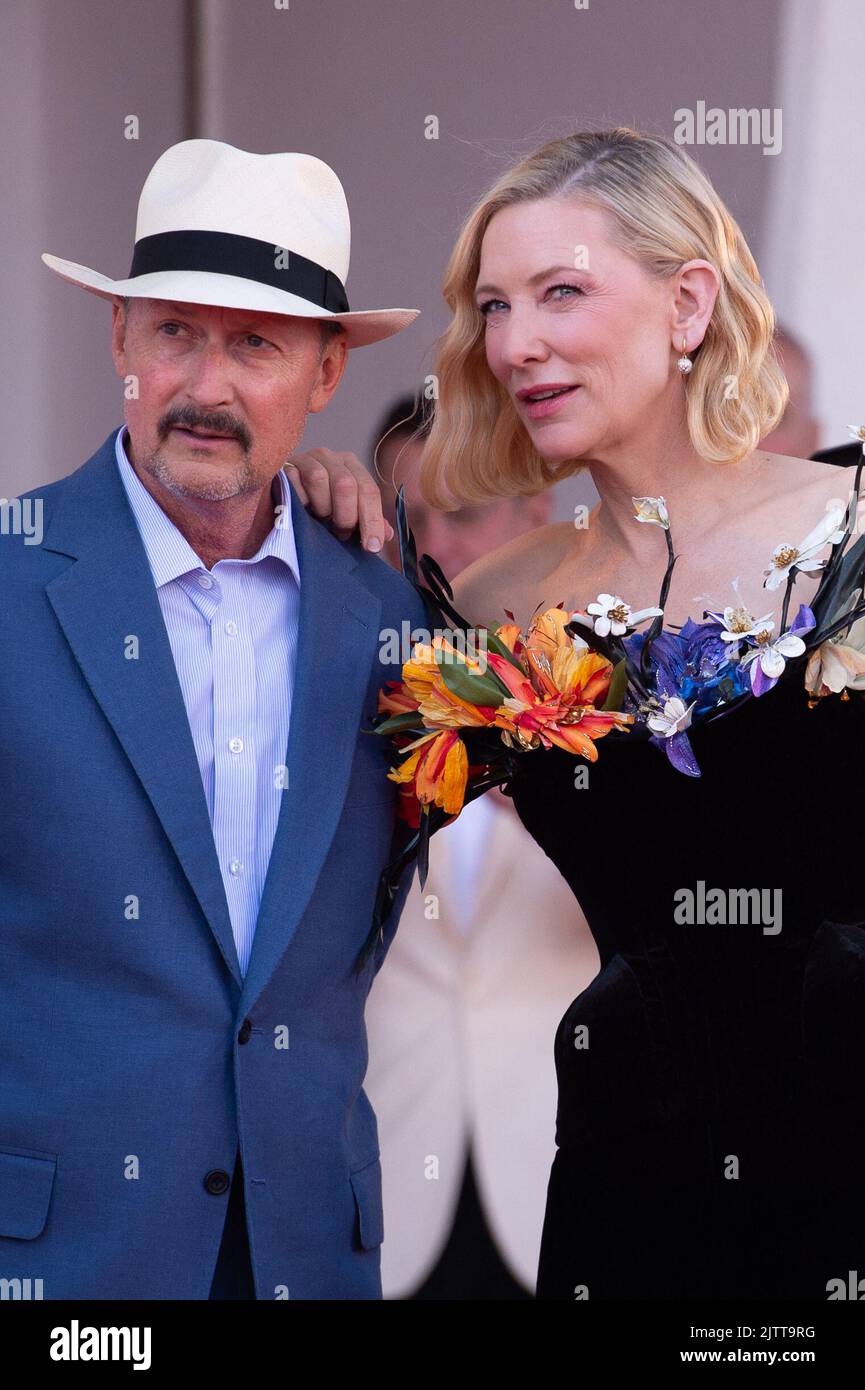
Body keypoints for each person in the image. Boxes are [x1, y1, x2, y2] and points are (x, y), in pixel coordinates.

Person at [403, 126, 865, 1300]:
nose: (515, 344)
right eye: (494, 307)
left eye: (561, 292)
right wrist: (316, 511)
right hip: (631, 1184)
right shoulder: (492, 610)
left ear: (686, 304)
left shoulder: (855, 532)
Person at [0, 137, 430, 1300]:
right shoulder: (7, 580)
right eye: (174, 333)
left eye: (255, 344)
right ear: (119, 340)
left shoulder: (395, 617)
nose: (205, 386)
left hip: (307, 1256)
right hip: (59, 1264)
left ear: (328, 371)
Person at [363, 397, 598, 1299]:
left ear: (535, 508)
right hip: (387, 1169)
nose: (437, 549)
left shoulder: (612, 675)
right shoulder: (354, 683)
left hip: (552, 1153)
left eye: (459, 513)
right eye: (409, 521)